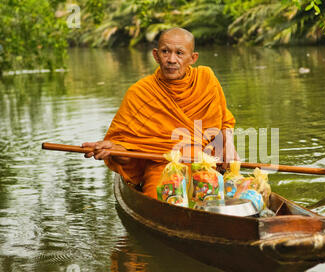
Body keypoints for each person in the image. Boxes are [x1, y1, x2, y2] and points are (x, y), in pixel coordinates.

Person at [82, 27, 239, 199]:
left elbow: (224, 123)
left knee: (239, 196)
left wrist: (229, 146)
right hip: (162, 168)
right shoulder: (141, 93)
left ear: (192, 58)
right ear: (156, 55)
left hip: (206, 164)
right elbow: (129, 154)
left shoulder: (206, 79)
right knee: (160, 201)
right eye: (165, 52)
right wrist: (113, 150)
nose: (172, 60)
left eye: (179, 53)